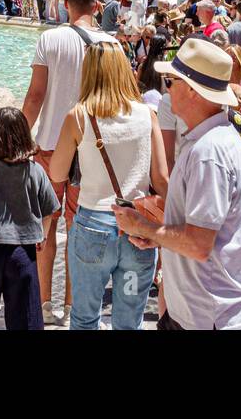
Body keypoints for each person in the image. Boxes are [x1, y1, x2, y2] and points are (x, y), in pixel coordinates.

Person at [113, 38, 241, 330]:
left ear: (193, 91)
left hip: (209, 316)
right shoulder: (212, 141)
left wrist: (143, 227)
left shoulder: (209, 153)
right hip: (201, 312)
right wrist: (158, 235)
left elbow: (198, 243)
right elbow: (206, 233)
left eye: (171, 81)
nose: (166, 89)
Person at [48, 42, 168, 330]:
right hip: (136, 231)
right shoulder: (147, 115)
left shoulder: (79, 115)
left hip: (93, 228)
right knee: (128, 320)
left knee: (85, 317)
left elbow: (57, 172)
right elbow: (162, 178)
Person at [21, 0, 117, 324]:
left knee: (45, 226)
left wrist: (16, 135)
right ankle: (72, 307)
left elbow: (35, 96)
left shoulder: (50, 38)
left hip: (48, 145)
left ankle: (43, 303)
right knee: (81, 227)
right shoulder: (112, 45)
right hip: (92, 149)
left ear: (65, 5)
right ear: (96, 7)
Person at [0, 108, 60, 330]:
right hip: (23, 252)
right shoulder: (34, 171)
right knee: (25, 315)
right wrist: (42, 236)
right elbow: (49, 210)